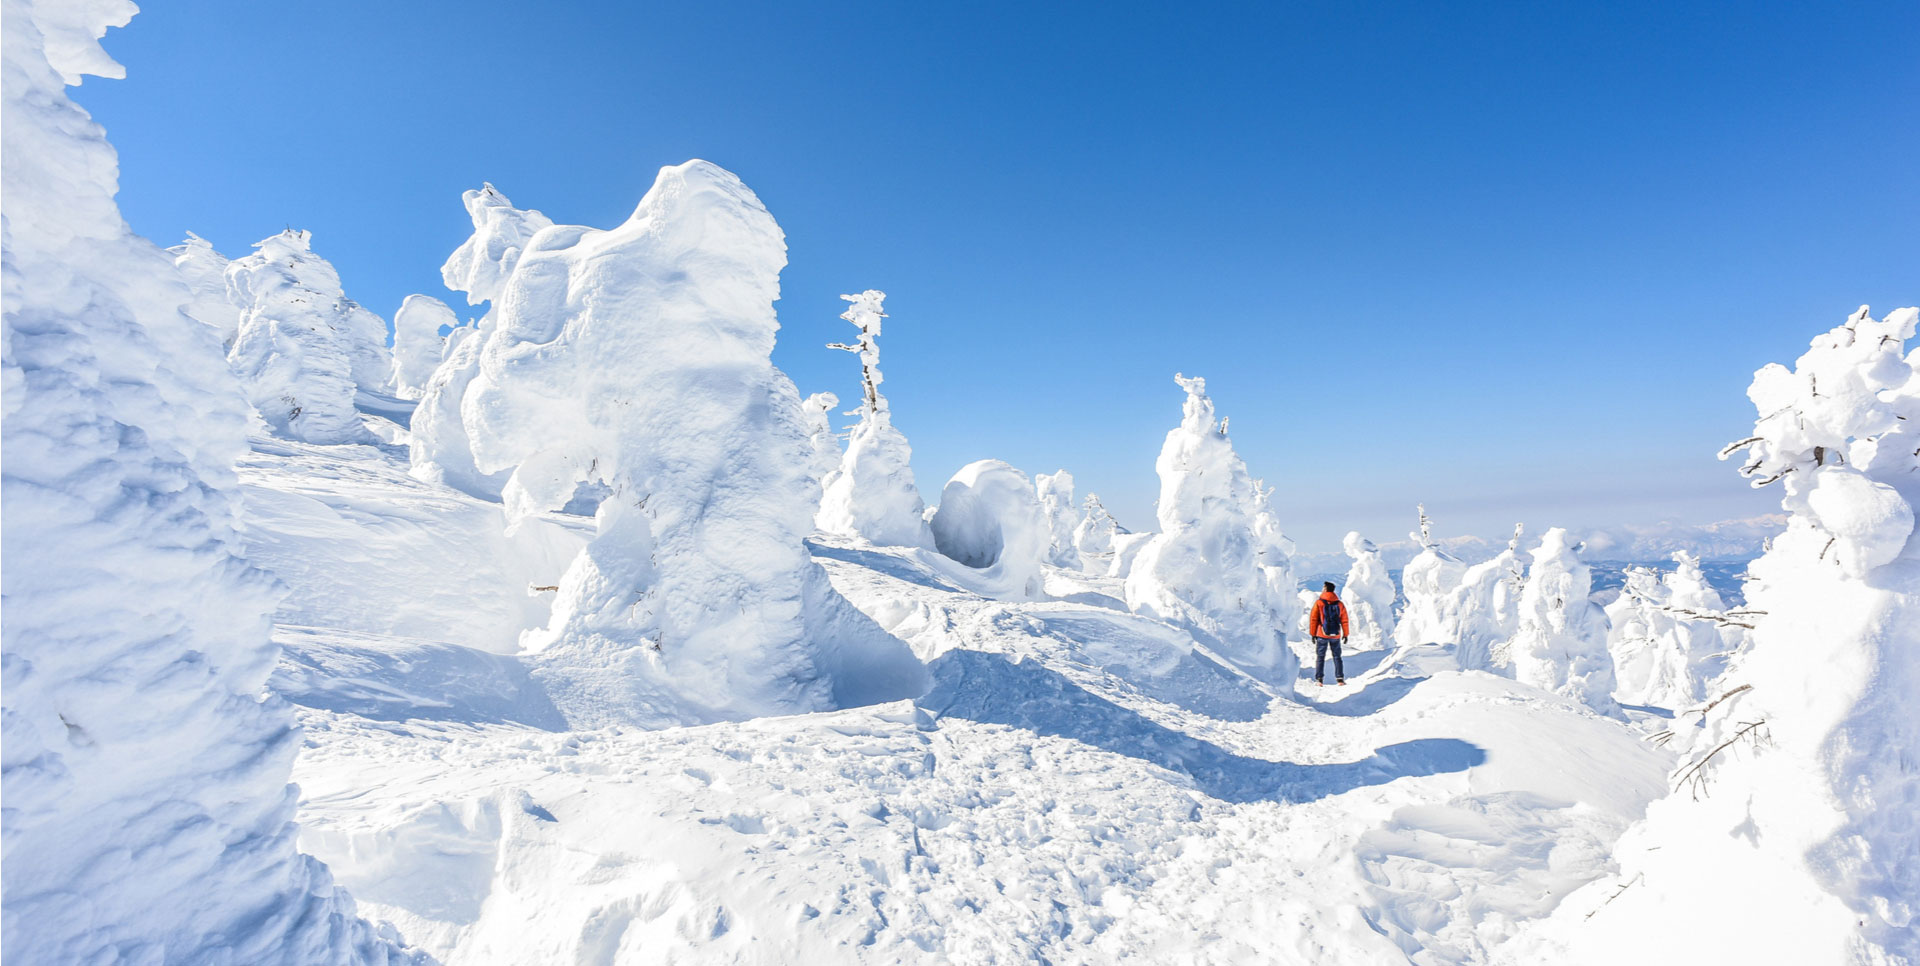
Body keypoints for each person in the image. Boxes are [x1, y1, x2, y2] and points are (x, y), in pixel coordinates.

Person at [1308, 580, 1349, 686]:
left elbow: (1313, 619)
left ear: (1325, 589)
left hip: (1322, 634)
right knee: (1337, 657)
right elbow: (1344, 620)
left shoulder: (1319, 603)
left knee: (1320, 657)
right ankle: (1340, 679)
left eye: (1323, 587)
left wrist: (1313, 634)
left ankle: (1319, 679)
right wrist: (1345, 634)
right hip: (1335, 634)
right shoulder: (1340, 604)